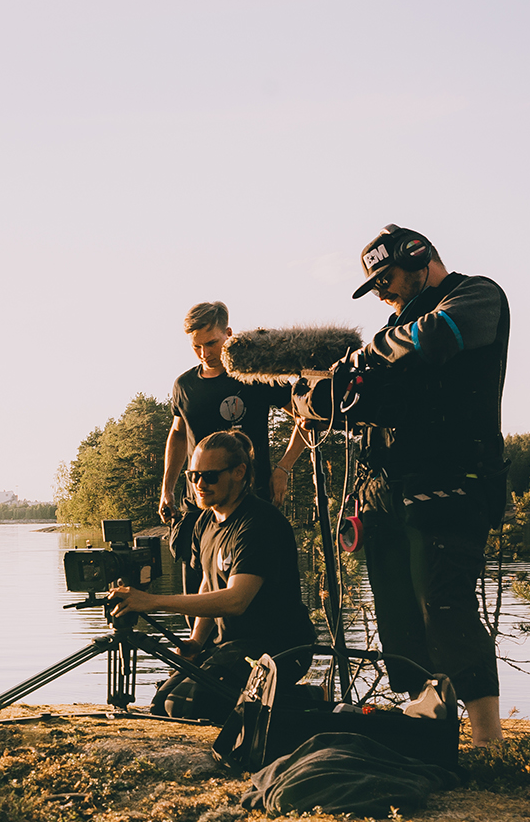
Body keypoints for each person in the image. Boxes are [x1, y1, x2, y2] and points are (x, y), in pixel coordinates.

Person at [336, 224, 509, 744]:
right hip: (386, 488)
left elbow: (437, 338)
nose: (383, 293)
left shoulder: (476, 294)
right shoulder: (396, 331)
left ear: (420, 256)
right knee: (398, 614)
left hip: (453, 484)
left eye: (386, 279)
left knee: (445, 605)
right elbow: (357, 398)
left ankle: (488, 741)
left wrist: (369, 353)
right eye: (375, 286)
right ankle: (430, 728)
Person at [116, 430, 316, 720]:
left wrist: (152, 601)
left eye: (209, 476)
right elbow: (210, 583)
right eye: (193, 475)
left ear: (239, 472)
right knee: (161, 703)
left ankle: (302, 700)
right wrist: (196, 643)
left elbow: (235, 601)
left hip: (279, 648)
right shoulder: (205, 522)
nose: (199, 484)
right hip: (232, 646)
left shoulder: (259, 523)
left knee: (185, 706)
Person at [158, 302, 310, 553]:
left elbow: (307, 416)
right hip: (198, 508)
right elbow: (177, 434)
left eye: (211, 343)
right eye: (196, 346)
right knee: (195, 590)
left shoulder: (256, 377)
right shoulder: (184, 386)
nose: (204, 353)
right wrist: (167, 489)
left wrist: (284, 468)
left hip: (249, 504)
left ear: (228, 334)